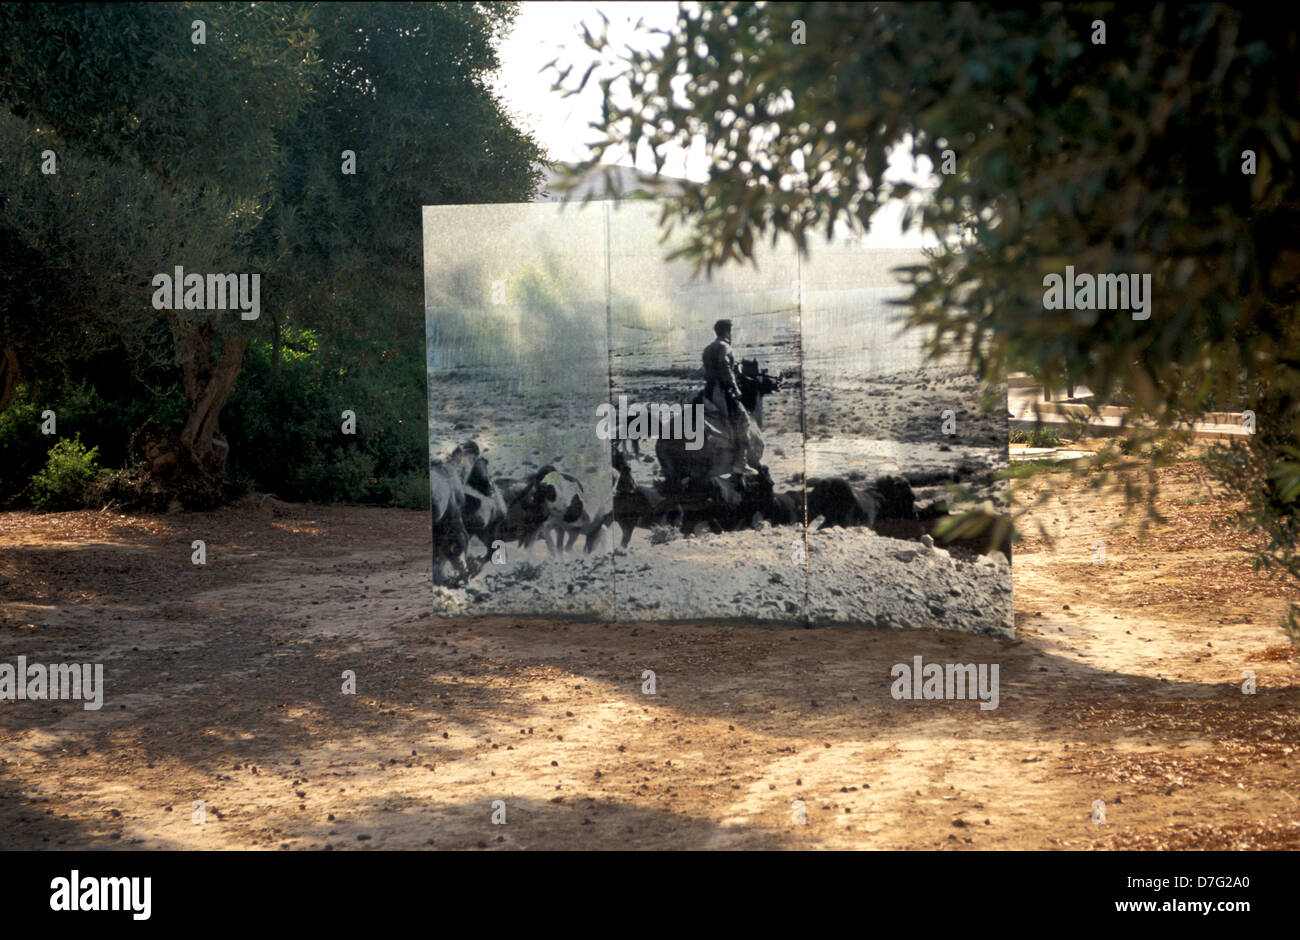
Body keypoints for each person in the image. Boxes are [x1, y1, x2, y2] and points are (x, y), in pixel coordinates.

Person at [702, 319, 760, 477]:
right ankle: (740, 463)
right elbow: (726, 369)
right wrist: (735, 388)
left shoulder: (707, 349)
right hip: (722, 392)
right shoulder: (725, 347)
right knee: (744, 421)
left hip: (708, 392)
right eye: (730, 331)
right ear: (727, 332)